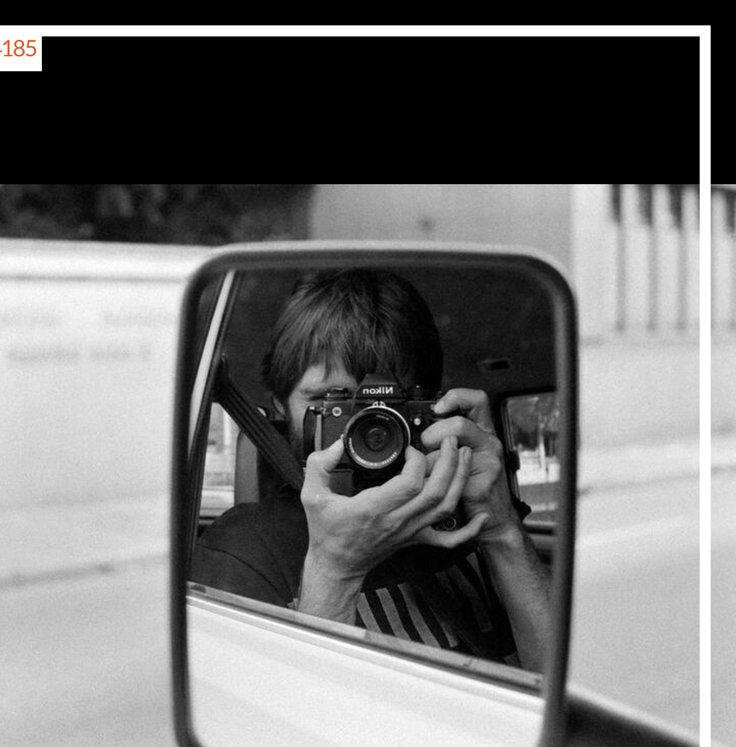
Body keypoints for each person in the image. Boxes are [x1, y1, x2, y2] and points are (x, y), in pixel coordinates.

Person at [189, 269, 551, 673]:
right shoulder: (245, 549)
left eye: (391, 404)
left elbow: (562, 679)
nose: (367, 428)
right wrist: (334, 569)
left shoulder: (464, 510)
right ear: (280, 408)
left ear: (430, 408)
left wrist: (501, 528)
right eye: (331, 402)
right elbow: (273, 709)